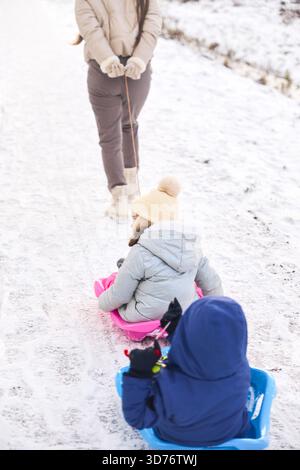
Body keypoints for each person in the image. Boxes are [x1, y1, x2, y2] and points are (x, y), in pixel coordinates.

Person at [122, 296, 251, 447]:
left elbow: (137, 418)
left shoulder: (168, 385)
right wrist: (175, 329)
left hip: (176, 437)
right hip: (229, 433)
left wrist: (139, 374)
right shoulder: (241, 369)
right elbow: (212, 347)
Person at [74, 1, 162, 218]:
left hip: (102, 72)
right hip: (137, 73)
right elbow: (152, 27)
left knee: (109, 135)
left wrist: (108, 59)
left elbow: (91, 31)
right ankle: (132, 192)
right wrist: (139, 59)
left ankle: (119, 199)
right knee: (128, 126)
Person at [97, 176, 223, 322]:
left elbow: (120, 294)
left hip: (145, 314)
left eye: (136, 217)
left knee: (122, 283)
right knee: (193, 287)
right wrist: (218, 309)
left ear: (144, 220)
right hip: (185, 311)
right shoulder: (191, 244)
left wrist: (102, 302)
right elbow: (211, 282)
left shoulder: (140, 251)